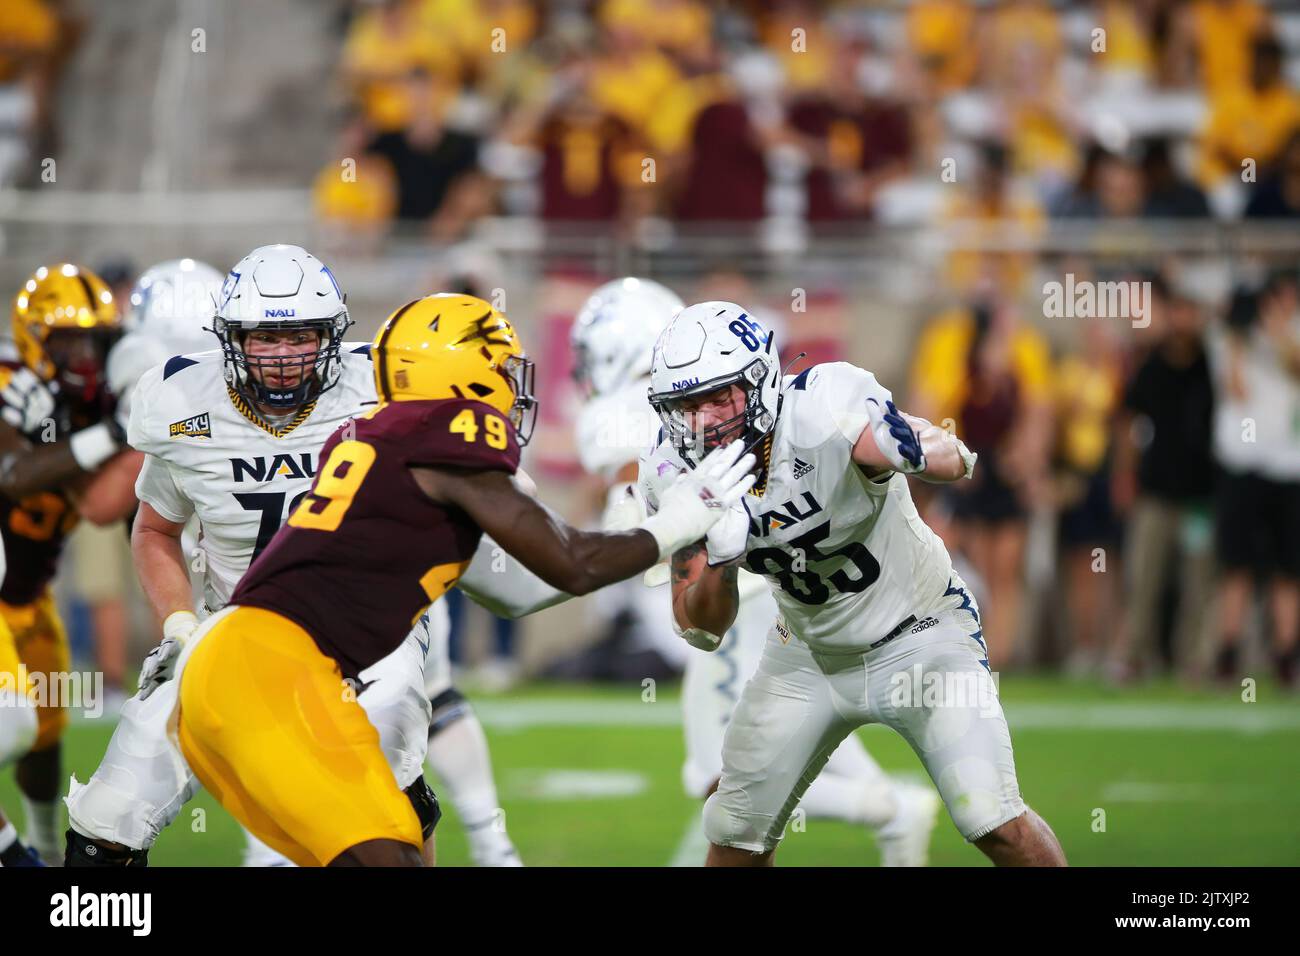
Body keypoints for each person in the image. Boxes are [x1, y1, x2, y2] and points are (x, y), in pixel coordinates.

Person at [170, 291, 755, 866]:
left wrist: (638, 526)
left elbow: (523, 592)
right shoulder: (445, 434)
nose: (512, 386)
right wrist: (680, 519)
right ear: (461, 375)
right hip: (268, 676)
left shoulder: (388, 447)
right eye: (499, 368)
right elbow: (572, 564)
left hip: (256, 670)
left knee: (404, 841)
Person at [65, 246, 559, 868]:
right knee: (105, 826)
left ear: (331, 335)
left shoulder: (383, 388)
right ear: (229, 339)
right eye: (261, 339)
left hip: (364, 628)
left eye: (300, 335)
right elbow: (155, 531)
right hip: (230, 634)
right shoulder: (179, 402)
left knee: (384, 768)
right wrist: (179, 625)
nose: (281, 356)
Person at [640, 301, 1066, 866]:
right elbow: (701, 628)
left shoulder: (822, 407)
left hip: (920, 631)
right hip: (808, 653)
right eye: (686, 406)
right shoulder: (672, 474)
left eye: (720, 397)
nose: (706, 421)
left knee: (992, 818)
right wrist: (720, 559)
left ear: (762, 380)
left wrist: (917, 448)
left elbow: (923, 450)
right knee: (734, 829)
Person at [573, 278, 939, 864]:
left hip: (743, 591)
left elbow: (630, 511)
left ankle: (891, 808)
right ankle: (891, 811)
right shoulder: (694, 399)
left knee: (722, 774)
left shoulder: (663, 410)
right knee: (769, 757)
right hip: (765, 587)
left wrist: (613, 541)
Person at [0, 263, 141, 863]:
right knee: (14, 723)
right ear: (35, 338)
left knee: (47, 735)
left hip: (28, 595)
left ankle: (45, 850)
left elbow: (106, 506)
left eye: (94, 338)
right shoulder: (12, 377)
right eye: (68, 340)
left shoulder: (95, 397)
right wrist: (111, 432)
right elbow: (15, 473)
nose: (85, 354)